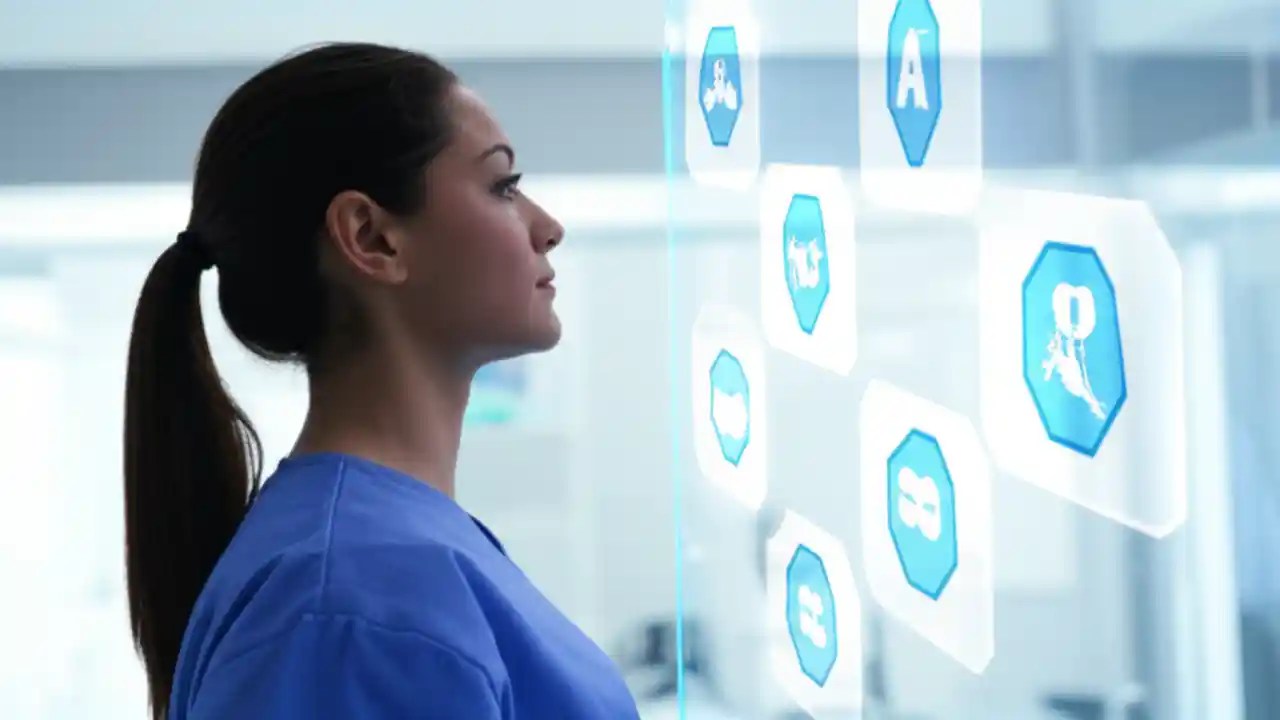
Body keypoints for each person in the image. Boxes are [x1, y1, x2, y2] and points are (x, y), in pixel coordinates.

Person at [122, 42, 640, 720]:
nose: (548, 227)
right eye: (502, 187)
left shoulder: (376, 563)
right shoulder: (350, 601)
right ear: (371, 239)